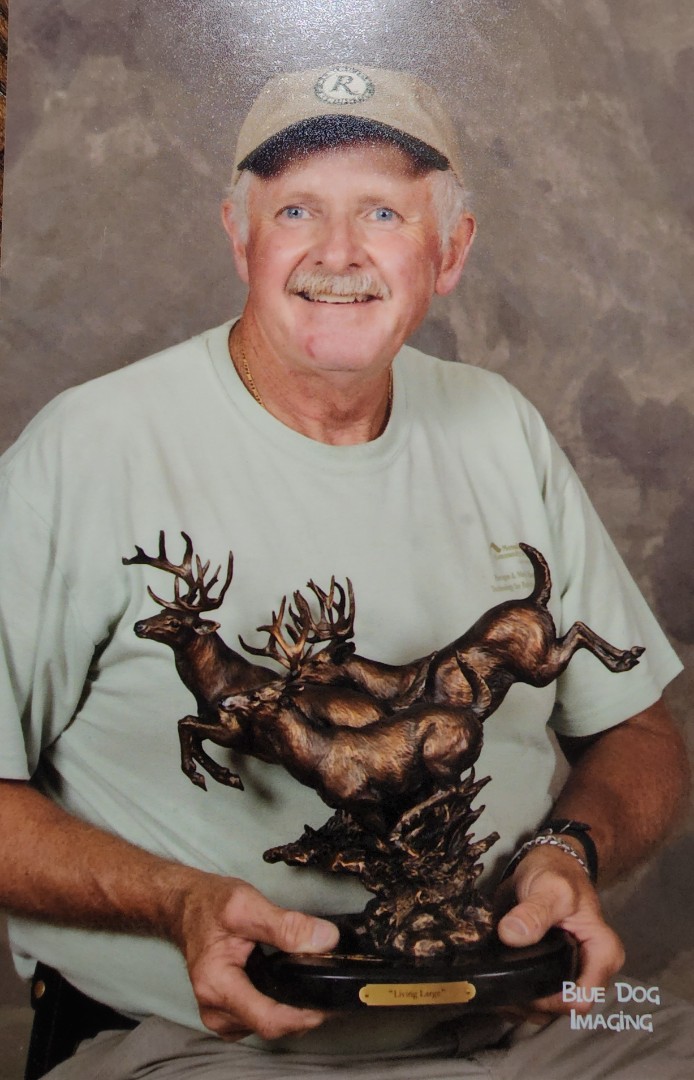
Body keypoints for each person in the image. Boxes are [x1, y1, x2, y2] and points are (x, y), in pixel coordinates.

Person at [0, 65, 691, 1078]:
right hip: (207, 1038)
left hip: (522, 1024)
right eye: (296, 210)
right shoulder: (86, 450)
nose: (337, 252)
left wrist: (567, 854)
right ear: (238, 236)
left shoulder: (500, 427)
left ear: (449, 250)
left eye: (382, 212)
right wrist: (178, 902)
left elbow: (637, 733)